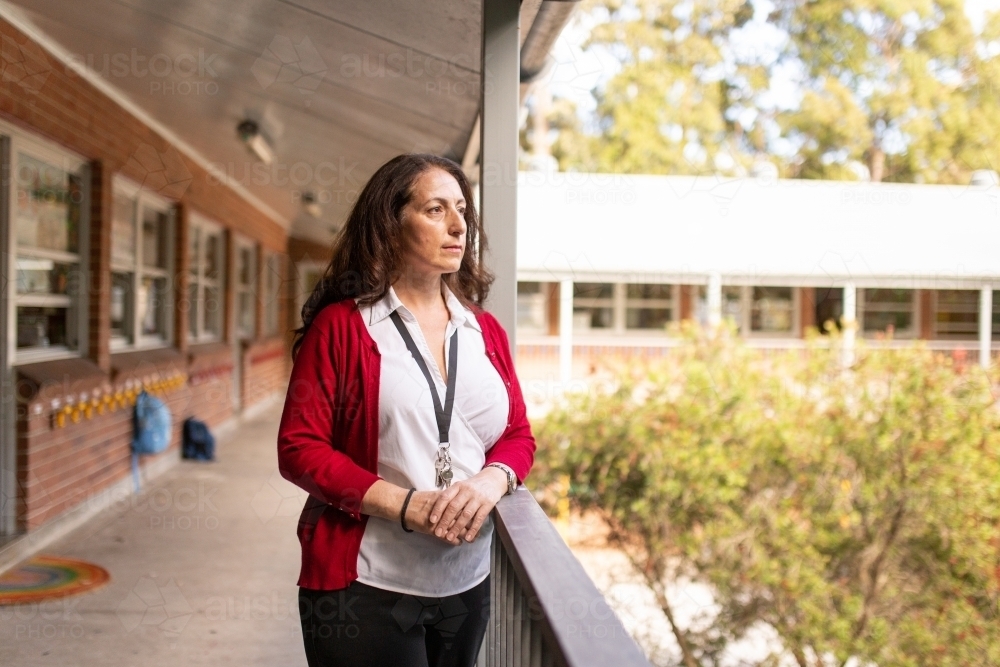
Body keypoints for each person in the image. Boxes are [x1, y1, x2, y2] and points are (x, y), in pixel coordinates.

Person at [277, 153, 536, 667]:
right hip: (366, 584)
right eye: (435, 209)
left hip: (467, 582)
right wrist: (405, 505)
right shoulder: (344, 327)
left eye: (462, 209)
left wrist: (492, 481)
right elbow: (299, 449)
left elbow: (518, 434)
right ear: (390, 225)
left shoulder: (484, 331)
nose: (459, 225)